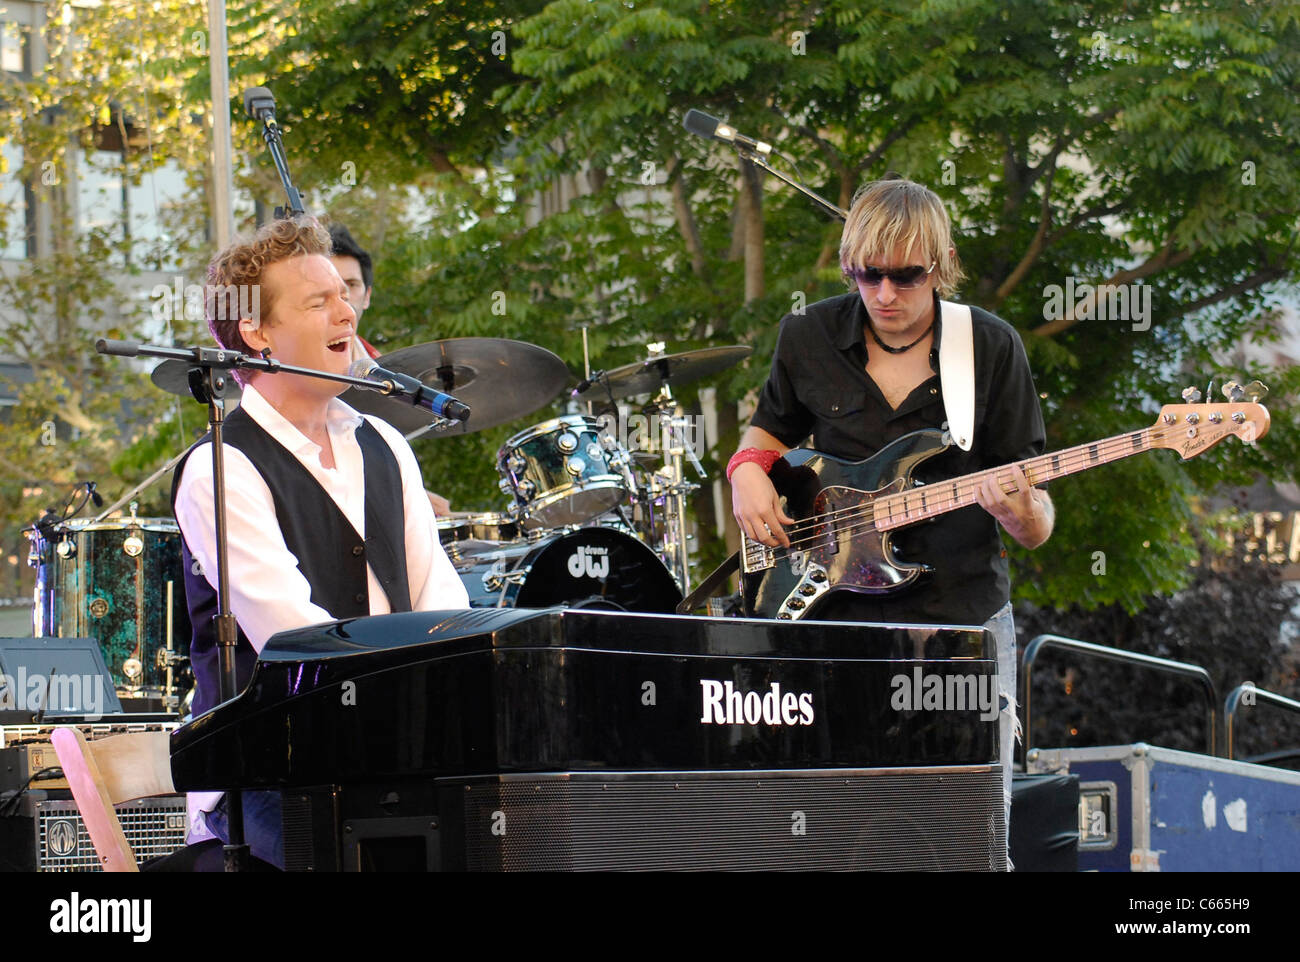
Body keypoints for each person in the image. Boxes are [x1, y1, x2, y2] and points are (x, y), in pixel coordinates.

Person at [729, 178, 1054, 852]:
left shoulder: (989, 348)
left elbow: (1037, 526)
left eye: (906, 276)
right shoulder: (807, 334)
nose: (884, 294)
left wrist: (1018, 507)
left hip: (957, 624)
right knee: (833, 835)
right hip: (831, 625)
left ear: (942, 264)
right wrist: (744, 476)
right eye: (867, 274)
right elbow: (763, 438)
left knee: (966, 838)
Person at [171, 216, 469, 868]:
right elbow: (298, 647)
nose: (347, 312)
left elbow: (446, 614)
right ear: (258, 333)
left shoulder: (384, 446)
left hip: (390, 758)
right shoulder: (223, 468)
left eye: (345, 293)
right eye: (318, 301)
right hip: (269, 782)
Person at [328, 221, 451, 516]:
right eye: (333, 287)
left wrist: (412, 493)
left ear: (367, 296)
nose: (343, 296)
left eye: (352, 286)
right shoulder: (302, 367)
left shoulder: (382, 367)